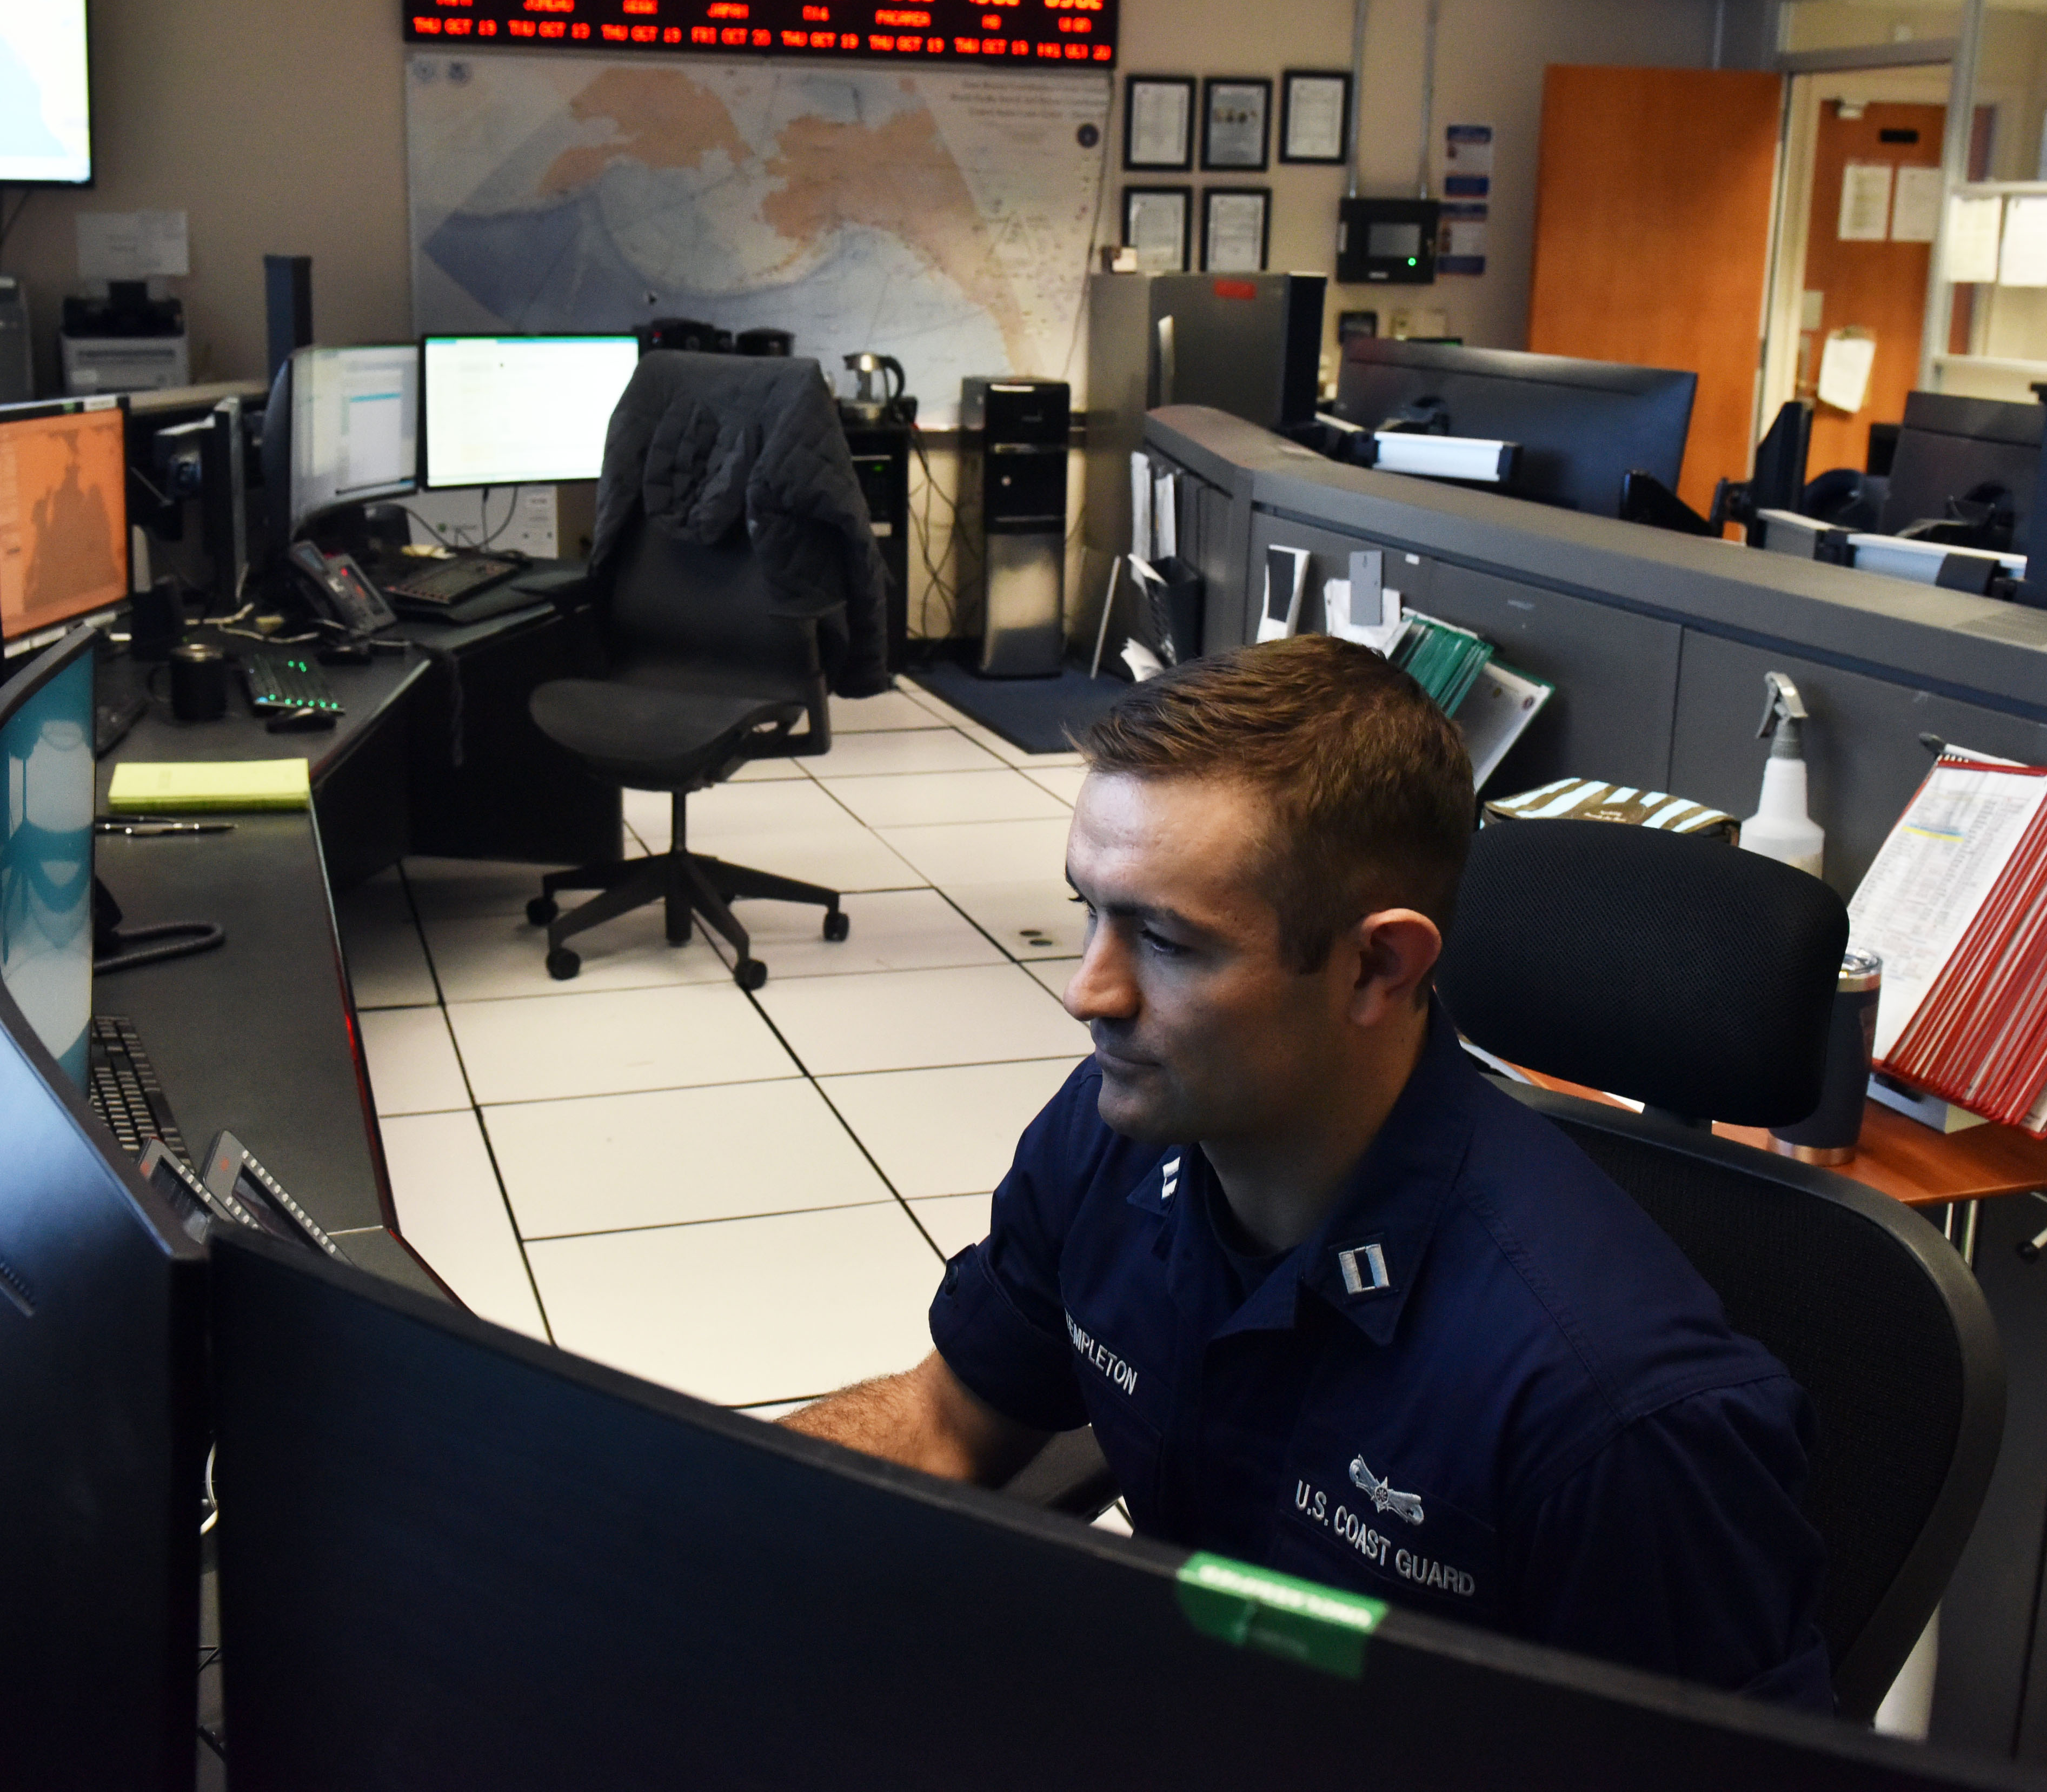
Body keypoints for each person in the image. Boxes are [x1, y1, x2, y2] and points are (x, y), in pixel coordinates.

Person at [783, 635, 1833, 1707]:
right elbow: (947, 1418)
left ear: (1377, 965)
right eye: (1088, 911)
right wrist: (710, 1515)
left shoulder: (1611, 1412)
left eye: (1164, 940)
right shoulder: (1118, 1134)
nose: (1087, 993)